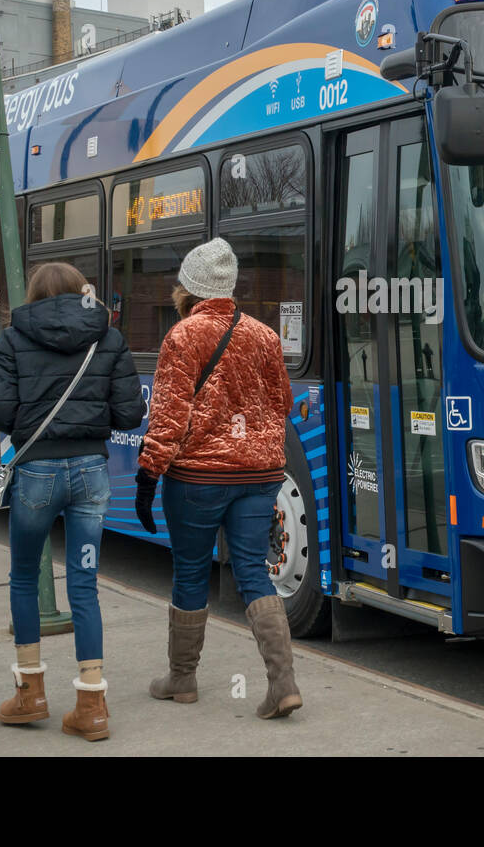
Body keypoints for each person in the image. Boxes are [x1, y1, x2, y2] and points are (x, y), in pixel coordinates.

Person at [134, 238, 301, 719]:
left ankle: (182, 679)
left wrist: (149, 476)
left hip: (198, 479)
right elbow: (282, 403)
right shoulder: (266, 336)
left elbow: (168, 414)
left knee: (191, 571)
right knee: (252, 571)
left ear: (189, 287)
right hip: (260, 474)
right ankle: (282, 683)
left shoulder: (183, 337)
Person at [0, 261, 144, 741]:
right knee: (84, 584)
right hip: (92, 474)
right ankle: (92, 703)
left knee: (24, 578)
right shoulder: (107, 337)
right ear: (82, 293)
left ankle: (30, 694)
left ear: (34, 295)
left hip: (36, 474)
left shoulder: (12, 339)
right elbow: (131, 412)